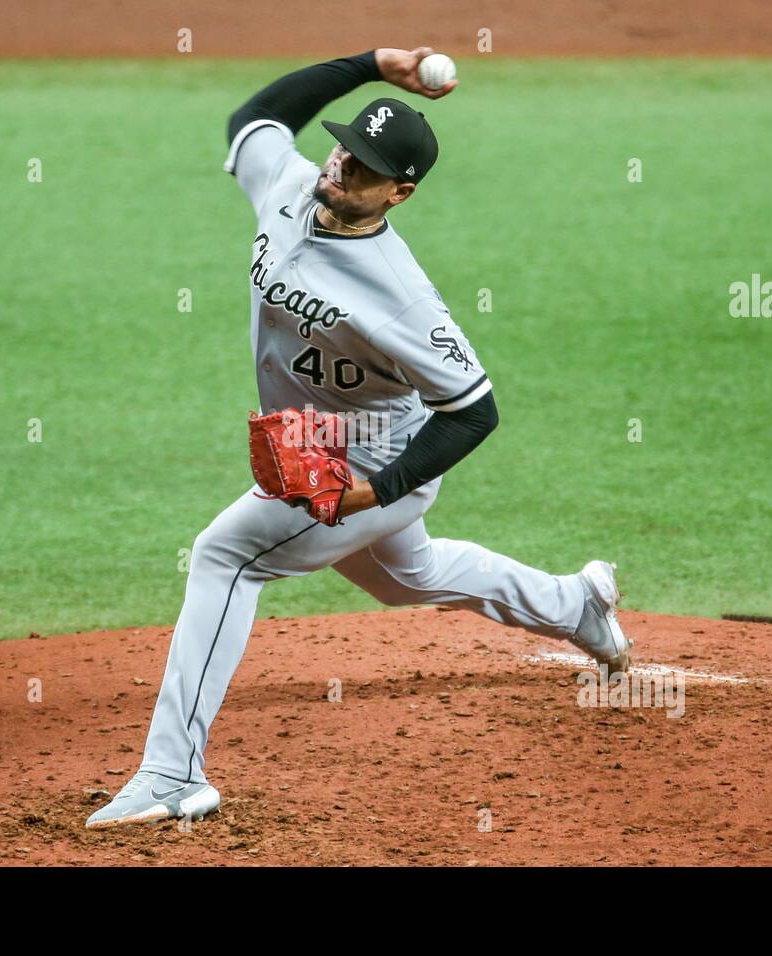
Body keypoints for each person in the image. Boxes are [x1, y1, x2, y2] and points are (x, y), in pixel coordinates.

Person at [86, 47, 631, 829]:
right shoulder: (292, 185)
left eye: (367, 165)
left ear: (399, 193)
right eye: (345, 146)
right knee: (408, 577)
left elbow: (475, 410)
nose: (343, 165)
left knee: (225, 556)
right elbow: (254, 122)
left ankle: (173, 775)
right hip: (315, 444)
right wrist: (373, 63)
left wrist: (374, 490)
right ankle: (574, 603)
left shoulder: (404, 300)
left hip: (374, 457)